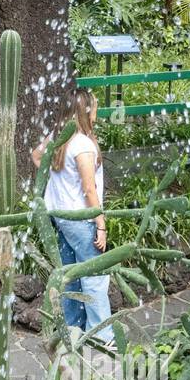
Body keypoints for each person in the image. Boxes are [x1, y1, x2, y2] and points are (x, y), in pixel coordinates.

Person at [31, 89, 115, 348]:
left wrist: (59, 179)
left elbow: (36, 155)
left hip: (60, 217)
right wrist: (100, 224)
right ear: (86, 110)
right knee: (95, 276)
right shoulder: (83, 145)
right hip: (81, 219)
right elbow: (89, 190)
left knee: (70, 274)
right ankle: (102, 336)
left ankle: (71, 330)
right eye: (95, 107)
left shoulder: (59, 138)